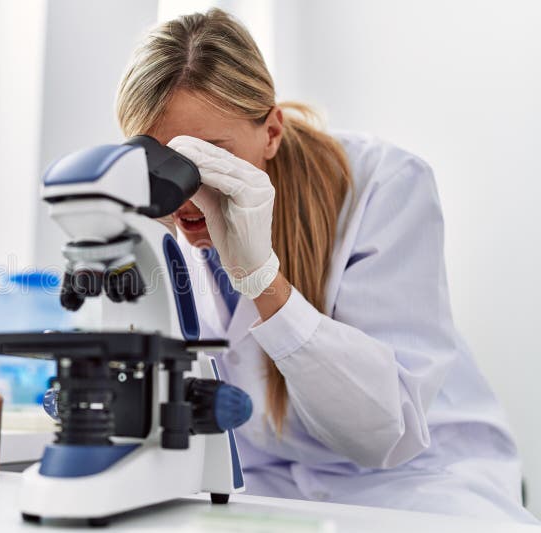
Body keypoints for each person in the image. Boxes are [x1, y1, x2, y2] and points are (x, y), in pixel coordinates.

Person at [115, 8, 536, 524]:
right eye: (159, 163)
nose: (184, 195)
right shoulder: (159, 221)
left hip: (411, 479)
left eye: (207, 158)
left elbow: (382, 433)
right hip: (263, 479)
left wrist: (263, 280)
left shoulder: (382, 185)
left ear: (271, 132)